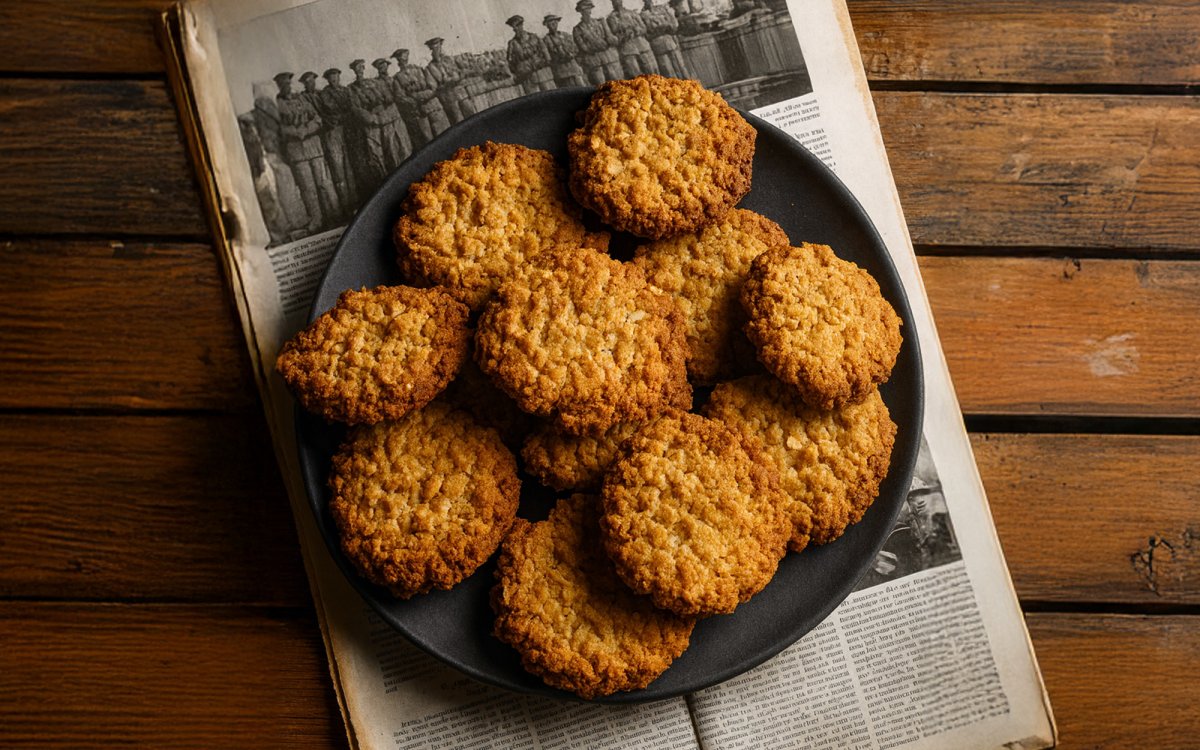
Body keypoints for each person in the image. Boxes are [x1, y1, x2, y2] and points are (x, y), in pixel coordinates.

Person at [275, 71, 340, 232]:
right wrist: (296, 133)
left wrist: (306, 130)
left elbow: (317, 119)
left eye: (288, 83)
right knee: (308, 188)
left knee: (324, 183)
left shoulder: (302, 100)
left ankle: (335, 215)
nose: (286, 87)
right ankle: (317, 220)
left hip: (314, 147)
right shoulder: (277, 105)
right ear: (278, 86)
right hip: (297, 153)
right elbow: (279, 128)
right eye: (282, 85)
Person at [315, 67, 358, 213]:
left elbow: (352, 107)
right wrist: (345, 113)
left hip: (348, 131)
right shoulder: (325, 94)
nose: (334, 80)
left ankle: (355, 201)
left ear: (339, 77)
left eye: (336, 77)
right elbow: (331, 109)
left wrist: (346, 113)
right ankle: (346, 205)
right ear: (327, 80)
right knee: (338, 169)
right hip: (334, 132)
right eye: (331, 78)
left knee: (350, 167)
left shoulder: (346, 90)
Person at [391, 47, 448, 147]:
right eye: (400, 59)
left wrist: (420, 96)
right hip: (419, 112)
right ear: (398, 61)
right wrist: (413, 100)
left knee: (446, 134)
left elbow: (433, 86)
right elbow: (400, 97)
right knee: (429, 142)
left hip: (434, 107)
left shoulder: (420, 70)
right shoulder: (397, 78)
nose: (403, 61)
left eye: (404, 58)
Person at [347, 58, 387, 194]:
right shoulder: (352, 89)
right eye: (356, 68)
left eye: (361, 67)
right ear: (353, 70)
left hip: (383, 119)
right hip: (369, 124)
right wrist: (371, 118)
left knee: (390, 149)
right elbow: (356, 109)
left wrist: (381, 115)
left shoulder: (372, 83)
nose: (360, 70)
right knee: (376, 154)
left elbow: (382, 97)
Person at [370, 57, 413, 171]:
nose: (383, 68)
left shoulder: (393, 80)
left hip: (397, 116)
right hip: (386, 121)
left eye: (385, 65)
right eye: (380, 67)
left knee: (405, 145)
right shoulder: (375, 83)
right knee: (392, 150)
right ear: (377, 69)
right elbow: (380, 98)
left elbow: (400, 95)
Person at [573, 0, 623, 85]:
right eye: (584, 9)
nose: (587, 11)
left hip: (608, 57)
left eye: (588, 9)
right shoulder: (577, 29)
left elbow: (610, 37)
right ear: (580, 12)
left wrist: (608, 41)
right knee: (601, 85)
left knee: (617, 81)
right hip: (594, 60)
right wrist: (595, 47)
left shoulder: (600, 22)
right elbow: (582, 46)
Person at [606, 0, 659, 78]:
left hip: (642, 46)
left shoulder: (632, 13)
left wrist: (637, 30)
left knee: (652, 71)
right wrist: (624, 35)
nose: (617, 2)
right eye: (614, 1)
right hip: (627, 50)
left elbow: (644, 28)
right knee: (635, 75)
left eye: (618, 0)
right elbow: (614, 36)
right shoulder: (611, 18)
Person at [425, 37, 472, 125]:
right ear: (431, 50)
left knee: (471, 115)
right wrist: (447, 83)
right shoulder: (430, 68)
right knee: (458, 123)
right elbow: (433, 87)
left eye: (439, 47)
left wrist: (459, 76)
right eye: (435, 48)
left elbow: (460, 71)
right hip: (448, 99)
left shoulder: (449, 60)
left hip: (461, 94)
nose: (439, 50)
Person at [504, 15, 555, 95]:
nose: (515, 29)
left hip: (541, 73)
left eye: (517, 25)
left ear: (522, 25)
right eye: (513, 27)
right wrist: (519, 71)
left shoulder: (534, 37)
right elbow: (510, 61)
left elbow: (545, 51)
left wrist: (545, 61)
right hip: (527, 78)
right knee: (534, 100)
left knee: (551, 95)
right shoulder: (512, 44)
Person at [642, 0, 691, 78]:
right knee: (668, 71)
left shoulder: (661, 9)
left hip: (670, 42)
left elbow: (673, 25)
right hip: (658, 46)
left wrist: (667, 27)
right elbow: (645, 33)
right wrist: (659, 30)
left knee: (681, 67)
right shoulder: (642, 15)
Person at [543, 14, 587, 88]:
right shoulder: (545, 40)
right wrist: (559, 57)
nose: (554, 24)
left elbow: (575, 48)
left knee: (582, 87)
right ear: (547, 25)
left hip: (573, 67)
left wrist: (571, 54)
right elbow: (548, 57)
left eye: (555, 22)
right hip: (561, 71)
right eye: (550, 23)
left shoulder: (566, 35)